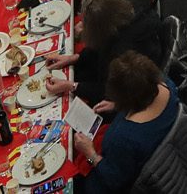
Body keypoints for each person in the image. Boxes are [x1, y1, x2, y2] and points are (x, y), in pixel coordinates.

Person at [73, 52, 178, 194]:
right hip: (169, 156)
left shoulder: (125, 137)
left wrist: (90, 154)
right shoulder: (167, 85)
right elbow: (144, 97)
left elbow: (114, 181)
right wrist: (117, 105)